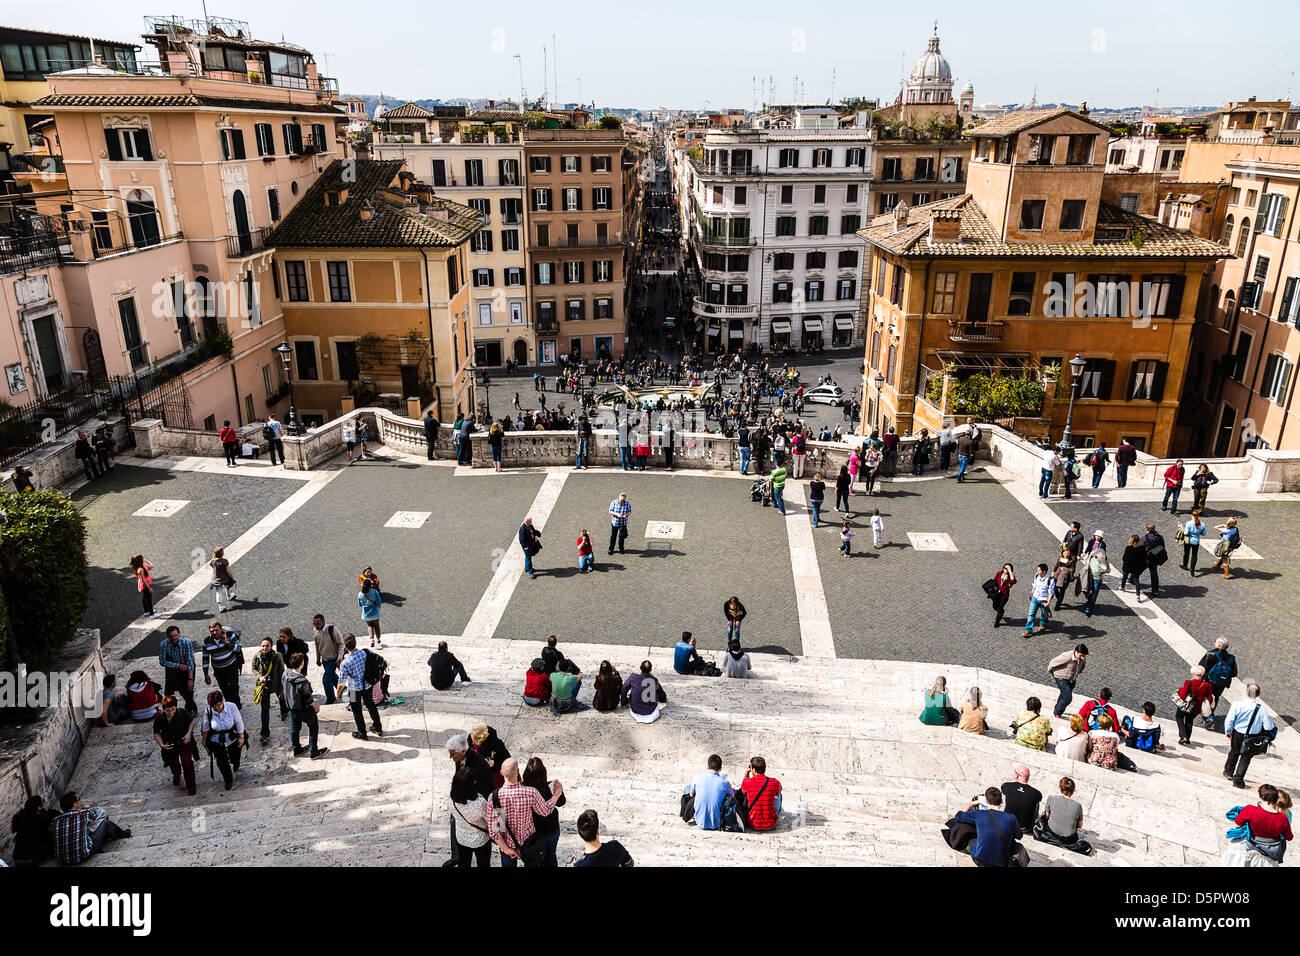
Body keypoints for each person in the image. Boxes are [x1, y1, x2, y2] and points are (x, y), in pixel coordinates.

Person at [488, 757, 564, 867]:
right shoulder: (530, 793)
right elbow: (545, 810)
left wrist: (506, 849)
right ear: (518, 772)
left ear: (501, 772)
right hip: (529, 844)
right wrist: (556, 795)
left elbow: (494, 830)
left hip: (507, 844)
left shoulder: (494, 798)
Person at [1222, 784, 1294, 866]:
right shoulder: (1284, 818)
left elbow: (1237, 824)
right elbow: (1289, 837)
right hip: (1271, 851)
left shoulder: (1250, 810)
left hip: (1250, 845)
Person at [51, 792, 130, 865]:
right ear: (74, 804)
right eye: (79, 800)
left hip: (62, 860)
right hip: (82, 856)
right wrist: (88, 809)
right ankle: (124, 834)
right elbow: (99, 814)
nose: (80, 802)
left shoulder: (55, 820)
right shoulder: (82, 814)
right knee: (106, 823)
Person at [951, 789, 1023, 867]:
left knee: (971, 831)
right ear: (1002, 801)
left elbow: (958, 816)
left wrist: (972, 803)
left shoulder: (978, 814)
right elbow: (1019, 835)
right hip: (1001, 863)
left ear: (986, 801)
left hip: (979, 858)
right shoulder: (1011, 818)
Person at [1223, 683, 1277, 788]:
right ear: (1258, 695)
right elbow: (1269, 726)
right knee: (1246, 758)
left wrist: (1228, 732)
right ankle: (1238, 779)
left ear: (1246, 692)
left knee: (1234, 752)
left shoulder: (1237, 705)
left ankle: (1228, 772)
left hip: (1238, 734)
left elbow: (1229, 720)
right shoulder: (1261, 709)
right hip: (1252, 737)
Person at [522, 756, 566, 866]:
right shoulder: (551, 787)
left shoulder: (523, 790)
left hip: (533, 833)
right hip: (551, 829)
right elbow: (561, 802)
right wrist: (558, 792)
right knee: (551, 856)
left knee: (535, 859)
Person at [338, 633, 383, 740]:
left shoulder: (345, 663)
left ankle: (362, 732)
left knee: (356, 710)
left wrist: (338, 693)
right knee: (371, 705)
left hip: (354, 689)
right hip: (367, 685)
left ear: (345, 646)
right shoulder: (365, 652)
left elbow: (342, 681)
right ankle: (377, 727)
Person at [282, 651, 326, 759]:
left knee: (295, 728)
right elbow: (307, 696)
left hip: (292, 708)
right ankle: (314, 751)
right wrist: (314, 704)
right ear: (301, 664)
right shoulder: (302, 681)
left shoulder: (286, 674)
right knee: (313, 727)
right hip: (303, 709)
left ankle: (296, 749)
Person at [200, 690, 245, 791]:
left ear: (222, 701)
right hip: (217, 740)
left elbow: (239, 722)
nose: (217, 708)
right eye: (214, 706)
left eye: (218, 705)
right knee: (221, 761)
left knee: (235, 755)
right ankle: (228, 779)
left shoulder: (231, 707)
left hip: (231, 737)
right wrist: (204, 740)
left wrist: (241, 737)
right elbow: (206, 727)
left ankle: (236, 762)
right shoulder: (208, 712)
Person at [449, 767, 493, 868]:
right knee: (484, 864)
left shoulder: (450, 801)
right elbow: (490, 820)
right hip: (480, 840)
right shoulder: (480, 803)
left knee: (463, 863)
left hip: (461, 838)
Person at [153, 695, 198, 795]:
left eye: (173, 709)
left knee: (187, 762)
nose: (171, 713)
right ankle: (176, 774)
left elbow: (191, 721)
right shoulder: (160, 718)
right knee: (173, 763)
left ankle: (191, 785)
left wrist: (188, 734)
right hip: (170, 745)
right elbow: (156, 732)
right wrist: (161, 744)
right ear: (164, 709)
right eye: (168, 710)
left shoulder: (182, 713)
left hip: (183, 742)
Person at [251, 637, 287, 745]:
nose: (265, 648)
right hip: (264, 686)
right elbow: (254, 668)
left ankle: (284, 710)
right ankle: (264, 733)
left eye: (267, 646)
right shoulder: (257, 657)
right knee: (264, 710)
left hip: (276, 684)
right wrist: (259, 677)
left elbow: (282, 671)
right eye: (263, 646)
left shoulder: (277, 656)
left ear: (271, 646)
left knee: (281, 698)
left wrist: (281, 688)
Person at [685, 754, 733, 830]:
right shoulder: (724, 782)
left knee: (687, 789)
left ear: (708, 766)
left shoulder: (698, 777)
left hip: (700, 821)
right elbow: (733, 796)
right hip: (716, 823)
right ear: (720, 768)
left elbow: (691, 794)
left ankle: (693, 815)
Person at [202, 621, 243, 707]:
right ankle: (230, 705)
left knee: (234, 686)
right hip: (218, 669)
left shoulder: (230, 636)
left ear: (221, 629)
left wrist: (226, 643)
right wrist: (206, 674)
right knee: (224, 689)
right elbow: (205, 658)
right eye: (212, 631)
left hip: (231, 666)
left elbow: (238, 648)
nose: (214, 633)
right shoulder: (206, 642)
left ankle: (237, 704)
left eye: (216, 630)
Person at [1199, 637, 1238, 726]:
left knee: (1206, 697)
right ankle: (1210, 714)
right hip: (1222, 683)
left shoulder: (1210, 654)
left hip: (1210, 681)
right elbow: (1234, 673)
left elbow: (1202, 667)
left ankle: (1209, 717)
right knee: (1215, 697)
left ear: (1219, 645)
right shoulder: (1231, 658)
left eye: (1216, 642)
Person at [1173, 665, 1215, 745]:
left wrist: (1180, 690)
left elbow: (1183, 695)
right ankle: (1187, 738)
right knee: (1189, 720)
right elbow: (1210, 699)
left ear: (1193, 673)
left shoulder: (1189, 682)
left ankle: (1183, 736)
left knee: (1179, 717)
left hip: (1186, 705)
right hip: (1196, 708)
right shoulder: (1206, 685)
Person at [158, 626, 197, 712]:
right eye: (171, 636)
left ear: (179, 634)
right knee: (180, 690)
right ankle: (190, 707)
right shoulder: (163, 645)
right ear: (167, 636)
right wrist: (177, 665)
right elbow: (162, 662)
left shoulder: (186, 643)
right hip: (174, 668)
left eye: (175, 635)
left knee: (189, 689)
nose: (174, 638)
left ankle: (191, 708)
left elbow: (190, 661)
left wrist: (190, 679)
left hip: (187, 667)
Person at [10, 795, 56, 867]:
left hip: (17, 861)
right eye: (43, 801)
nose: (44, 802)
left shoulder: (21, 818)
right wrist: (44, 811)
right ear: (39, 807)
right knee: (51, 834)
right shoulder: (40, 818)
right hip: (32, 861)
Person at [740, 756, 782, 831]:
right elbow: (780, 789)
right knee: (778, 795)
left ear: (753, 770)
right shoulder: (773, 782)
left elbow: (743, 789)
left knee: (747, 794)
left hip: (753, 824)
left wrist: (747, 773)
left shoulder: (747, 782)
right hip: (771, 824)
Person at [1042, 777, 1085, 844]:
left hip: (1051, 833)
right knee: (1081, 835)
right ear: (1073, 791)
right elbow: (1080, 825)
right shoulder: (1078, 806)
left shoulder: (1051, 798)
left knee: (1044, 813)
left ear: (1060, 788)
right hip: (1068, 839)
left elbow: (1047, 816)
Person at [469, 723, 511, 788]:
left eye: (478, 742)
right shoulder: (470, 742)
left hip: (495, 772)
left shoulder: (495, 743)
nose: (474, 743)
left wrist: (496, 765)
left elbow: (506, 758)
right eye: (473, 741)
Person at [1000, 766, 1042, 831]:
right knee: (1035, 800)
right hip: (1025, 827)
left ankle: (1002, 817)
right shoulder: (1036, 793)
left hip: (1006, 823)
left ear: (1017, 776)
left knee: (1004, 795)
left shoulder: (1006, 786)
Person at [1022, 563, 1054, 637]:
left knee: (1044, 614)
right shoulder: (1037, 575)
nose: (1037, 571)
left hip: (1044, 600)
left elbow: (1051, 592)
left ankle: (1043, 624)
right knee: (1031, 614)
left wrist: (1048, 602)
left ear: (1044, 571)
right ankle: (1028, 630)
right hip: (1035, 597)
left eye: (1039, 570)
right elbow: (1035, 584)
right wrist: (1032, 592)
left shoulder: (1050, 580)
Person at [1082, 538, 1109, 618]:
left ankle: (1088, 609)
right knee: (1086, 591)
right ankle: (1089, 600)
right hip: (1089, 577)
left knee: (1094, 594)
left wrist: (1105, 569)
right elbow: (1088, 562)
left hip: (1097, 579)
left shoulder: (1104, 560)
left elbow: (1108, 570)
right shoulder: (1092, 557)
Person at [130, 553, 159, 620]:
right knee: (148, 600)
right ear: (140, 560)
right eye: (142, 558)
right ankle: (152, 614)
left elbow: (151, 566)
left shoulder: (142, 565)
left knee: (145, 598)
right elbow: (143, 580)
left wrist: (145, 561)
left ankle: (146, 611)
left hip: (145, 585)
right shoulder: (140, 569)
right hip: (145, 585)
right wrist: (149, 588)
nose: (144, 558)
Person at [1141, 522, 1167, 597]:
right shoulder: (1160, 537)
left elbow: (1141, 548)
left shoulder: (1144, 538)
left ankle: (1132, 579)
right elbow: (1162, 546)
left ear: (1147, 530)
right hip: (1155, 558)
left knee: (1140, 569)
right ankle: (1155, 590)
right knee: (1154, 574)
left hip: (1147, 558)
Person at [209, 546, 237, 613]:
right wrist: (233, 578)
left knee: (218, 591)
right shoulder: (224, 561)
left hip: (216, 579)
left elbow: (212, 566)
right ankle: (229, 596)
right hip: (225, 578)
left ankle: (220, 606)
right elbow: (228, 571)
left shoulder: (212, 561)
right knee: (227, 586)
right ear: (222, 554)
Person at [987, 563, 1016, 628]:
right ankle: (1001, 612)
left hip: (1004, 595)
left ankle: (997, 622)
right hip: (997, 594)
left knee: (999, 608)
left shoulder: (1010, 576)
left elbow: (1013, 581)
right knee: (994, 606)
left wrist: (1010, 572)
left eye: (1007, 569)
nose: (1005, 569)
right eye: (1004, 568)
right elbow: (995, 580)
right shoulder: (999, 573)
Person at [357, 577, 382, 649]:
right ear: (370, 585)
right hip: (375, 613)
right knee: (377, 626)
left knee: (370, 626)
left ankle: (372, 640)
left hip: (366, 615)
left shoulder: (360, 594)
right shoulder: (374, 592)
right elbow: (379, 602)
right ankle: (378, 640)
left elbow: (360, 605)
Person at [1180, 510, 1207, 575]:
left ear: (1192, 515)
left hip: (1188, 541)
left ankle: (1185, 565)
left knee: (1186, 553)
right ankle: (1192, 569)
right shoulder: (1202, 524)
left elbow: (1186, 533)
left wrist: (1181, 528)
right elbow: (1203, 534)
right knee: (1194, 555)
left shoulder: (1189, 523)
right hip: (1196, 542)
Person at [1120, 534, 1147, 599]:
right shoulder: (1142, 548)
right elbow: (1144, 558)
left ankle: (1122, 587)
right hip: (1137, 568)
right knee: (1136, 581)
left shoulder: (1128, 548)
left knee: (1124, 577)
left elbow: (1124, 558)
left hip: (1128, 567)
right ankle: (1138, 595)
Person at [1050, 544, 1075, 611]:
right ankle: (1059, 600)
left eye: (1067, 553)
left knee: (1062, 591)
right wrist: (1053, 572)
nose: (1066, 554)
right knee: (1055, 589)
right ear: (1063, 553)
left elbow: (1072, 569)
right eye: (1065, 553)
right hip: (1057, 575)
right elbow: (1056, 565)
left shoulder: (1071, 561)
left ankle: (1057, 605)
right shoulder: (1060, 558)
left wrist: (1065, 569)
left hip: (1064, 577)